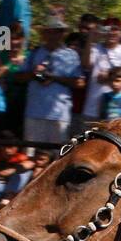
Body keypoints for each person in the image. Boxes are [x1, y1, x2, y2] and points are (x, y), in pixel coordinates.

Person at [22, 16, 83, 146]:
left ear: (62, 34)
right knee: (31, 152)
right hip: (34, 113)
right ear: (44, 33)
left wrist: (54, 77)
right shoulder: (34, 52)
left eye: (57, 31)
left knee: (57, 155)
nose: (53, 35)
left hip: (59, 115)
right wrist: (34, 73)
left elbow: (79, 83)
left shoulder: (71, 55)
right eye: (50, 31)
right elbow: (18, 77)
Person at [82, 17, 121, 125]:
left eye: (115, 29)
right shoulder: (95, 49)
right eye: (107, 29)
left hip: (117, 115)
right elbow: (85, 65)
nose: (111, 32)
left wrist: (111, 76)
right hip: (92, 111)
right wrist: (90, 39)